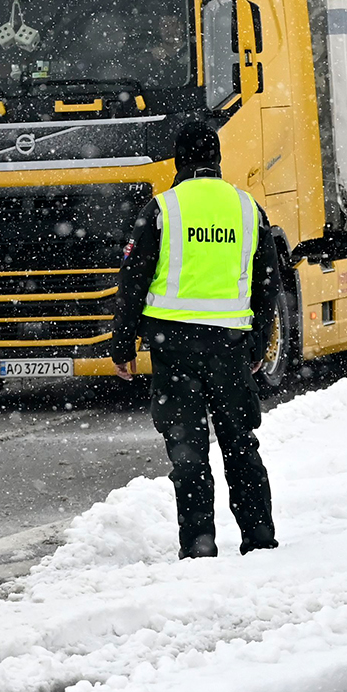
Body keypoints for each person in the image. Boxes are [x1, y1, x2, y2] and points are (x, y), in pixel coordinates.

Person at [111, 121, 280, 558]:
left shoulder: (162, 208)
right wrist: (259, 341)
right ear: (218, 159)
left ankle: (200, 542)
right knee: (241, 445)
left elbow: (133, 281)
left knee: (188, 452)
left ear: (179, 159)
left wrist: (122, 344)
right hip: (230, 348)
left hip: (174, 348)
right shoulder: (247, 208)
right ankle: (259, 537)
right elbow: (268, 283)